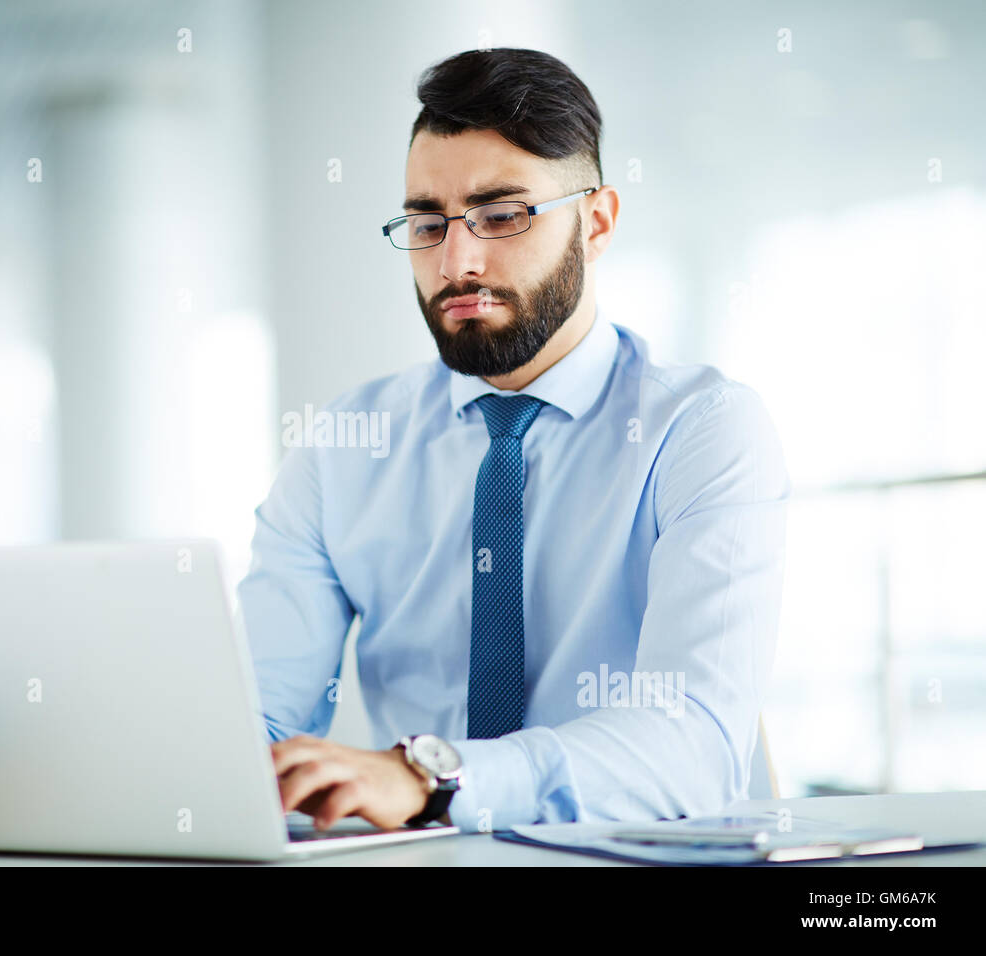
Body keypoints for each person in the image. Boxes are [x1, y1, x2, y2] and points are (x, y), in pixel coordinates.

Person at [239, 47, 791, 833]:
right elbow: (253, 727)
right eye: (429, 223)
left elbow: (694, 745)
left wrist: (432, 777)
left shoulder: (701, 432)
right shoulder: (340, 452)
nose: (456, 261)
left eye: (502, 215)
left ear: (595, 224)